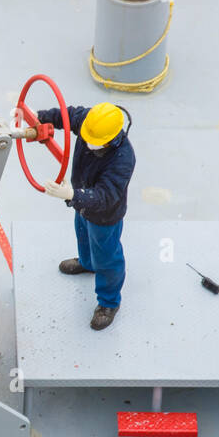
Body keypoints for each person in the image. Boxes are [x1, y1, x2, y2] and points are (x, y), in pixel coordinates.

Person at [36, 102, 136, 331]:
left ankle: (109, 303)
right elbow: (67, 115)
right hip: (81, 206)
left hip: (104, 216)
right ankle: (87, 263)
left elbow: (105, 195)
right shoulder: (90, 122)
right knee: (82, 236)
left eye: (95, 142)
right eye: (86, 137)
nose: (88, 144)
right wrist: (37, 116)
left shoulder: (123, 159)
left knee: (108, 257)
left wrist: (72, 194)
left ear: (112, 139)